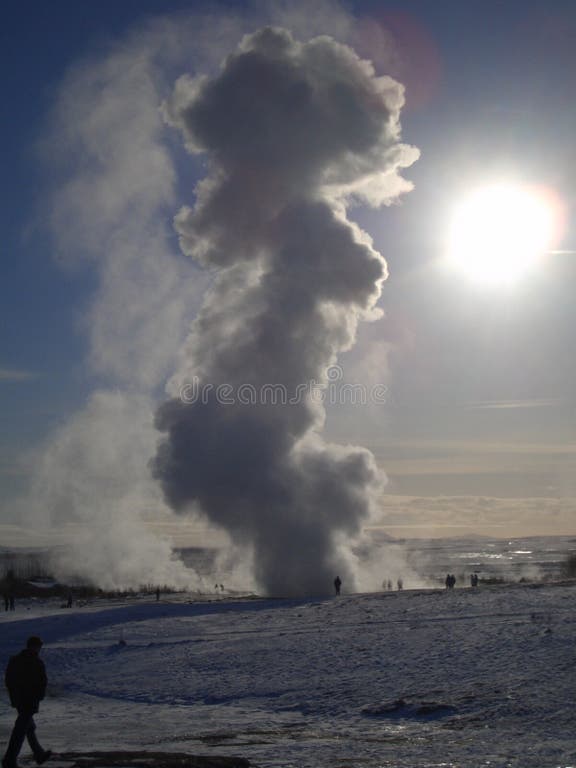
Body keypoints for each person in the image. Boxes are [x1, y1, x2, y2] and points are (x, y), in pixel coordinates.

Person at [2, 636, 52, 768]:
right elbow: (42, 682)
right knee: (19, 731)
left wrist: (14, 696)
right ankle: (9, 760)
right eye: (39, 646)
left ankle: (39, 754)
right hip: (29, 701)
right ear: (35, 646)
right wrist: (39, 696)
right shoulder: (36, 662)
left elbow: (8, 680)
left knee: (29, 727)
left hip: (19, 700)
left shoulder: (15, 660)